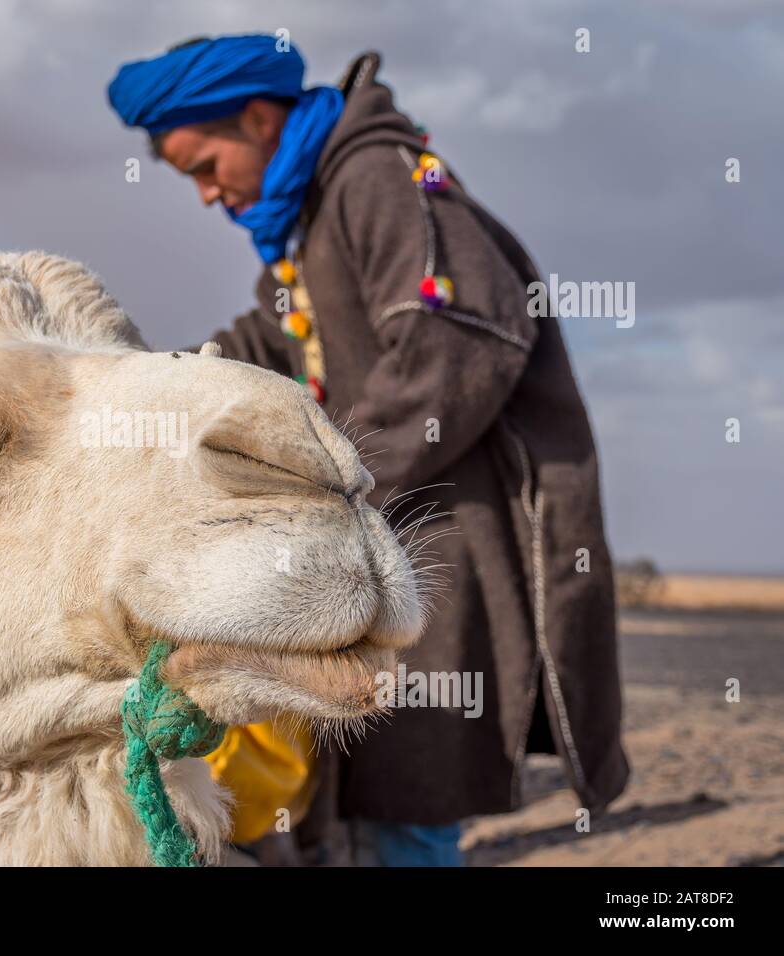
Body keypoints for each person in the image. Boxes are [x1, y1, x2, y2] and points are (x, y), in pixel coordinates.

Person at [107, 35, 628, 865]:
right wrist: (136, 383)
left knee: (407, 800)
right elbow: (273, 344)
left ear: (257, 116)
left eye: (204, 165)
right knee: (369, 791)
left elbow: (463, 331)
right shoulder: (305, 221)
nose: (206, 194)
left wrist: (327, 480)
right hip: (387, 529)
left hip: (445, 536)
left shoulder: (389, 173)